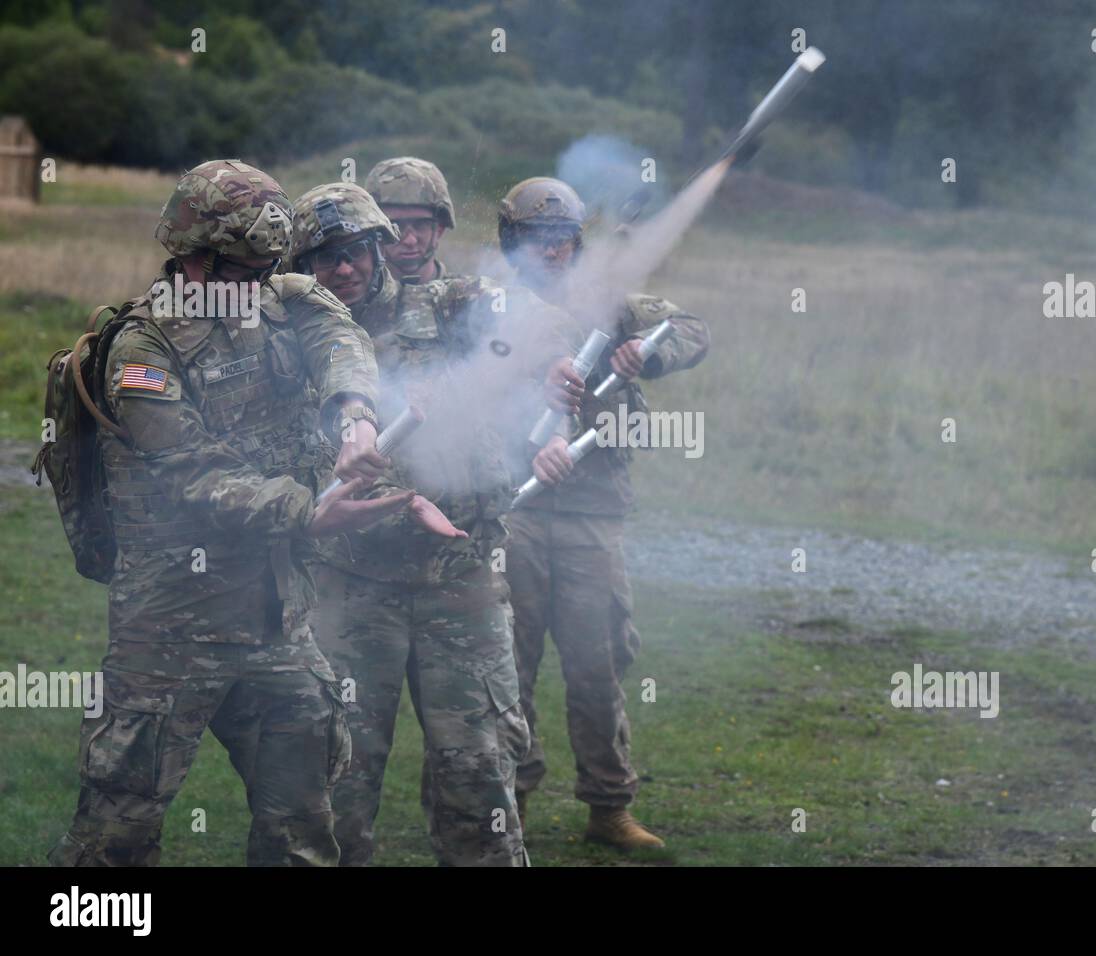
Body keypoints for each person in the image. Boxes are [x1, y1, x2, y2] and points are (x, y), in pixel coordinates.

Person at [48, 160, 428, 867]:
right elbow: (190, 476)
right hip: (170, 627)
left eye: (263, 270)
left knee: (303, 825)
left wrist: (356, 420)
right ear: (193, 258)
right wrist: (308, 512)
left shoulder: (282, 298)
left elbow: (342, 340)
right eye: (241, 272)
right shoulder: (142, 347)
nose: (255, 288)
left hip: (274, 620)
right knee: (117, 830)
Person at [291, 181, 582, 865]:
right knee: (335, 772)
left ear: (378, 250)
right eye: (324, 256)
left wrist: (555, 382)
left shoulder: (446, 302)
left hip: (461, 575)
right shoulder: (290, 339)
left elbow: (536, 321)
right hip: (352, 585)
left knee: (480, 768)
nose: (344, 268)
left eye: (357, 251)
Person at [498, 177, 710, 849]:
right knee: (509, 665)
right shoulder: (487, 305)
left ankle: (609, 807)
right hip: (513, 509)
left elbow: (692, 329)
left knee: (597, 662)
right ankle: (512, 800)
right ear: (513, 243)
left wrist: (644, 354)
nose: (552, 253)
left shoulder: (609, 300)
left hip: (591, 512)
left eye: (562, 240)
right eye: (538, 240)